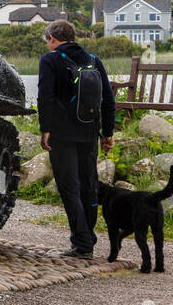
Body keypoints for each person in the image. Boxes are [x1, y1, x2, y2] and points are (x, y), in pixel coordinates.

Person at [37, 19, 115, 258]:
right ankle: (87, 237)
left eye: (47, 40)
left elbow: (45, 97)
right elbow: (108, 100)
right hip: (90, 132)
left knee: (69, 188)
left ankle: (82, 244)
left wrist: (45, 128)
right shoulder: (93, 60)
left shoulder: (49, 60)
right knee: (88, 186)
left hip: (61, 134)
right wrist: (108, 133)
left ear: (52, 38)